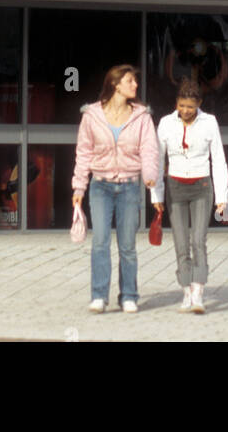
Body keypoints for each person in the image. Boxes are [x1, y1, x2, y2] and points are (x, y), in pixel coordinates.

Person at [72, 64, 159, 314]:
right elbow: (83, 152)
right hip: (100, 186)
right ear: (115, 84)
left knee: (127, 244)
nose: (135, 85)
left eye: (135, 81)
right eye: (130, 81)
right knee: (100, 241)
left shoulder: (142, 116)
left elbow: (150, 149)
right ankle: (99, 296)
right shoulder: (91, 115)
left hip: (130, 187)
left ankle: (129, 295)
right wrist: (79, 187)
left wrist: (150, 175)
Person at [152, 78, 228, 314]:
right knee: (181, 242)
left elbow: (218, 158)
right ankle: (186, 290)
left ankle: (198, 291)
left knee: (198, 240)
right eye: (181, 105)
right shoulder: (165, 123)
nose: (185, 111)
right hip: (175, 186)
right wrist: (156, 194)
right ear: (176, 102)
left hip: (201, 186)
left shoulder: (209, 122)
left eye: (190, 106)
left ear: (199, 104)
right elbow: (158, 160)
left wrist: (222, 196)